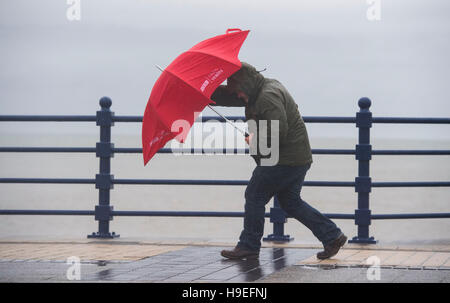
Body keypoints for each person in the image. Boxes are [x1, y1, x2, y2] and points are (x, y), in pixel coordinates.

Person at [210, 62, 347, 260]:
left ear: (245, 84)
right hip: (297, 158)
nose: (238, 96)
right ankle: (332, 235)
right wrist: (204, 94)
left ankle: (248, 245)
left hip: (283, 159)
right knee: (291, 202)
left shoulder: (267, 97)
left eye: (239, 91)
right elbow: (231, 95)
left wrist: (254, 140)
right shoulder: (259, 88)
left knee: (255, 195)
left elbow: (278, 133)